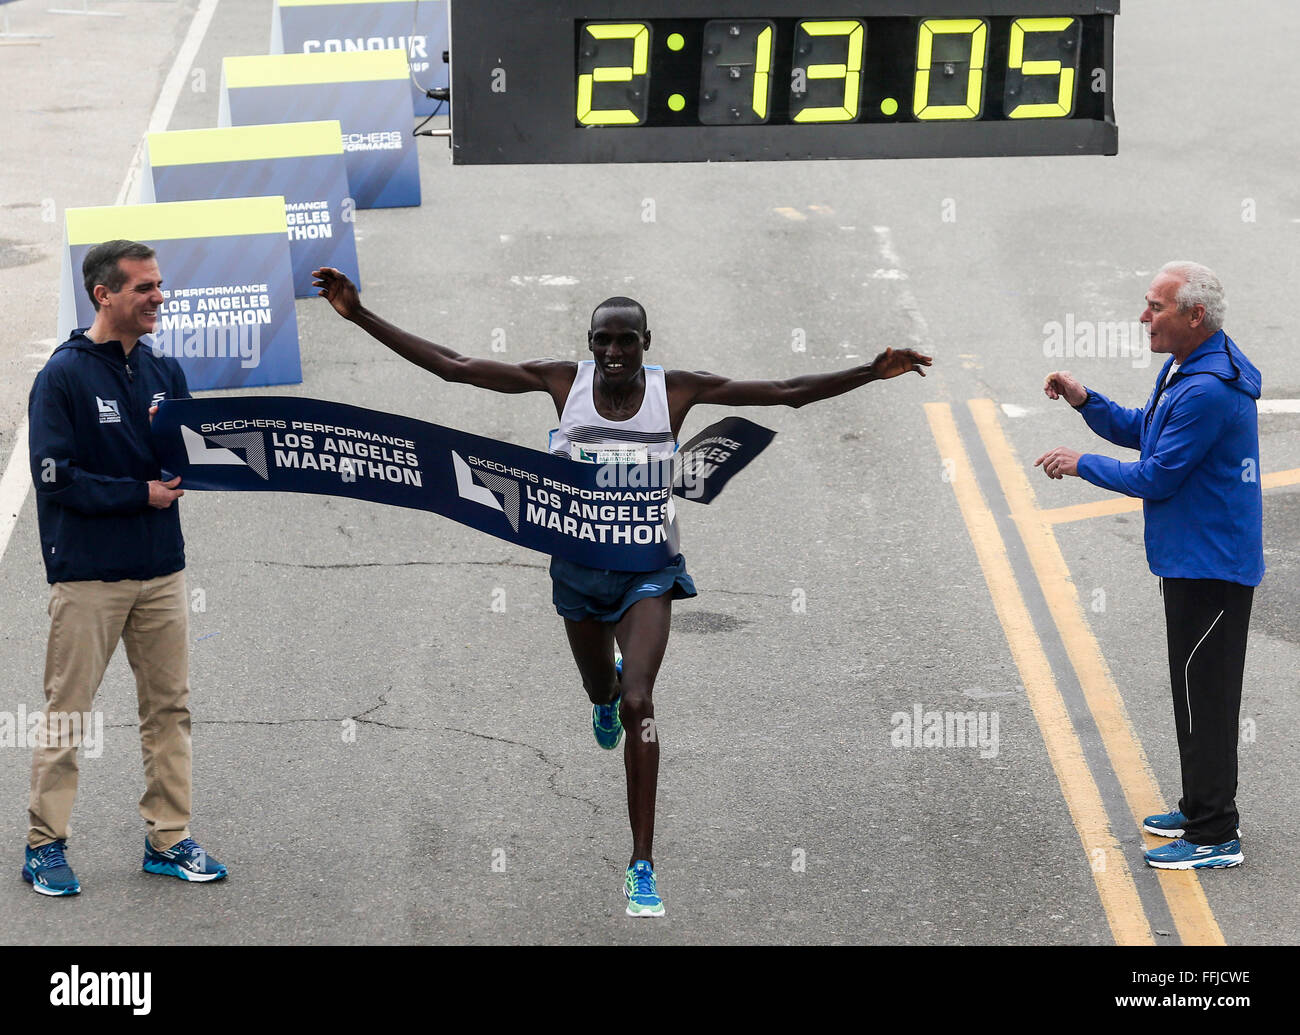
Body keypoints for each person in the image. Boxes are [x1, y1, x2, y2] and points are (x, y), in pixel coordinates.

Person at [313, 266, 930, 916]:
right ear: (589, 343)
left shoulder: (678, 391)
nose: (612, 353)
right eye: (602, 341)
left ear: (645, 342)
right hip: (578, 571)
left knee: (641, 700)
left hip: (648, 570)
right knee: (604, 692)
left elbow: (785, 391)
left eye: (625, 341)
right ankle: (601, 695)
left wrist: (869, 369)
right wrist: (359, 314)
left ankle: (642, 863)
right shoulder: (563, 382)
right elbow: (455, 366)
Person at [1036, 260, 1262, 871]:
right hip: (1190, 559)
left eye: (1155, 308)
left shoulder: (1208, 388)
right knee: (1192, 694)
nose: (1144, 318)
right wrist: (1088, 402)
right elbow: (1148, 431)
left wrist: (1081, 462)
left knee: (1208, 699)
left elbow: (1157, 475)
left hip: (1213, 567)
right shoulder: (1187, 367)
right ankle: (1196, 807)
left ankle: (1216, 833)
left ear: (1195, 316)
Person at [23, 239, 227, 895]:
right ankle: (44, 844)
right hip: (87, 577)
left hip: (162, 569)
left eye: (160, 284)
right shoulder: (62, 376)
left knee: (169, 709)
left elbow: (193, 454)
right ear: (103, 294)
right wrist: (138, 492)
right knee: (67, 713)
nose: (158, 297)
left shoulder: (165, 373)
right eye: (144, 287)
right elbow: (55, 478)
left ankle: (168, 837)